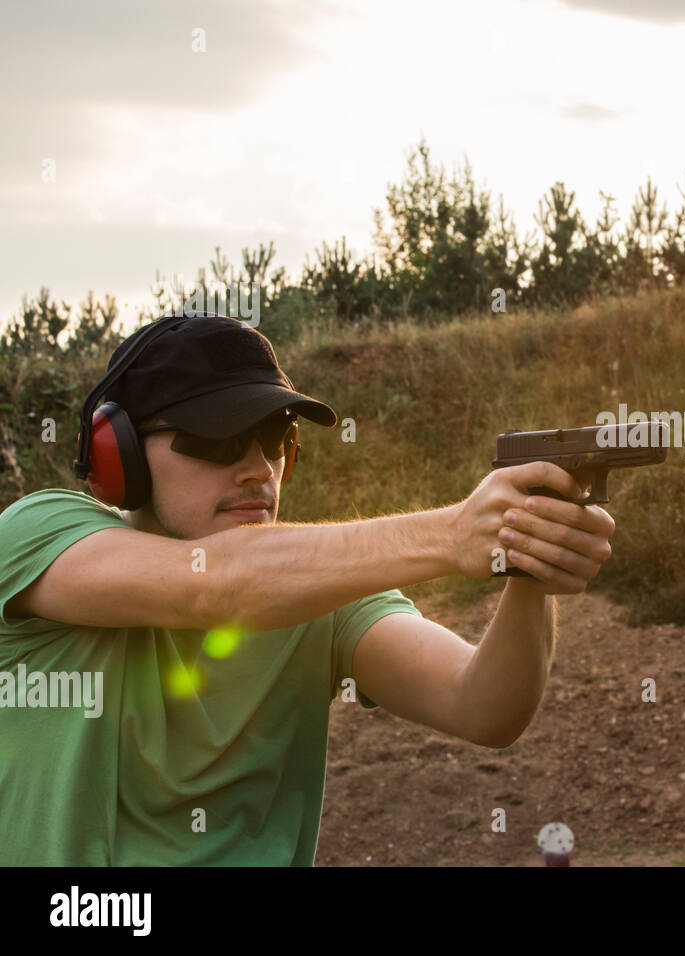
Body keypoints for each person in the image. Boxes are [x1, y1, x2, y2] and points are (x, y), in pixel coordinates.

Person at [0, 313, 614, 865]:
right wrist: (452, 534)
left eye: (276, 440)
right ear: (120, 456)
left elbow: (483, 708)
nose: (259, 469)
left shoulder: (316, 593)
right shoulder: (40, 533)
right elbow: (216, 586)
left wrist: (532, 553)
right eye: (216, 438)